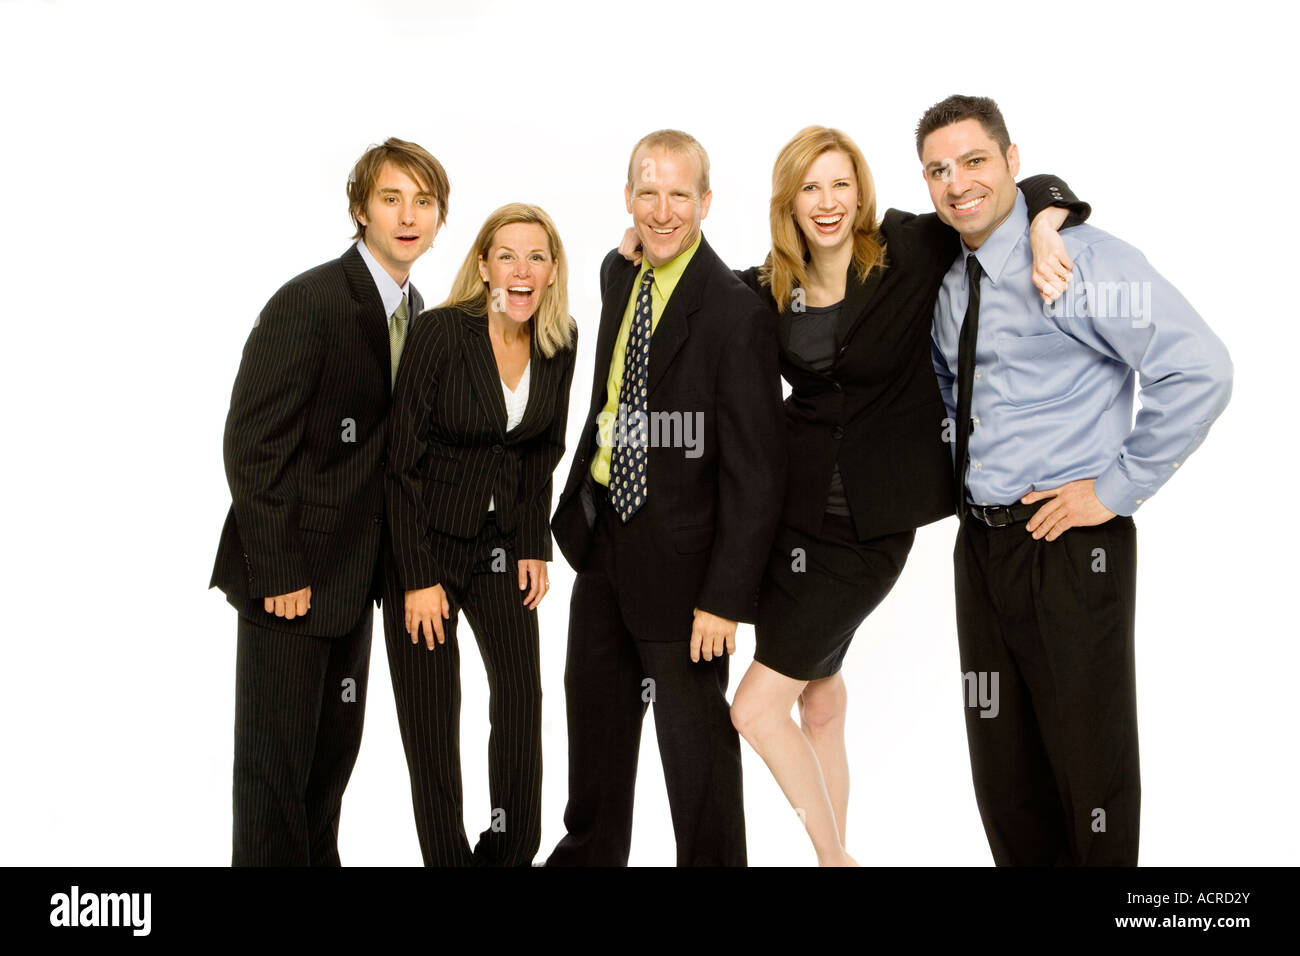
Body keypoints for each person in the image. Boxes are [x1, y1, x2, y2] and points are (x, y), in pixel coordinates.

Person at [920, 94, 1233, 865]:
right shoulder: (948, 273)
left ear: (1013, 160)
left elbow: (1201, 370)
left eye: (975, 161)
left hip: (1068, 544)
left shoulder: (1079, 260)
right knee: (1005, 777)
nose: (957, 183)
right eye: (937, 169)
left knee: (1089, 773)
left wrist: (1113, 488)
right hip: (982, 549)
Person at [546, 130, 785, 867]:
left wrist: (724, 598)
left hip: (687, 581)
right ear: (628, 199)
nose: (662, 210)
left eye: (679, 194)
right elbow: (617, 269)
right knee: (594, 747)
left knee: (697, 766)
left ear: (706, 202)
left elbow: (757, 475)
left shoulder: (735, 313)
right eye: (647, 194)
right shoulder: (622, 277)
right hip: (604, 549)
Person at [210, 137, 450, 865]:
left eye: (424, 201)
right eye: (390, 198)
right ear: (359, 209)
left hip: (356, 584)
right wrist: (280, 570)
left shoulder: (420, 315)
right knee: (272, 784)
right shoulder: (310, 302)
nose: (408, 216)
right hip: (290, 582)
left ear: (440, 218)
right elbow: (251, 445)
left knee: (325, 779)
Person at [385, 203, 577, 866]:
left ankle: (508, 853)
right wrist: (416, 577)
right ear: (484, 266)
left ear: (552, 272)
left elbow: (540, 449)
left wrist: (531, 542)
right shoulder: (440, 333)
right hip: (425, 547)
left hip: (500, 546)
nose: (521, 271)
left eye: (536, 257)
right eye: (507, 255)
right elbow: (399, 461)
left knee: (522, 705)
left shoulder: (560, 338)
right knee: (434, 725)